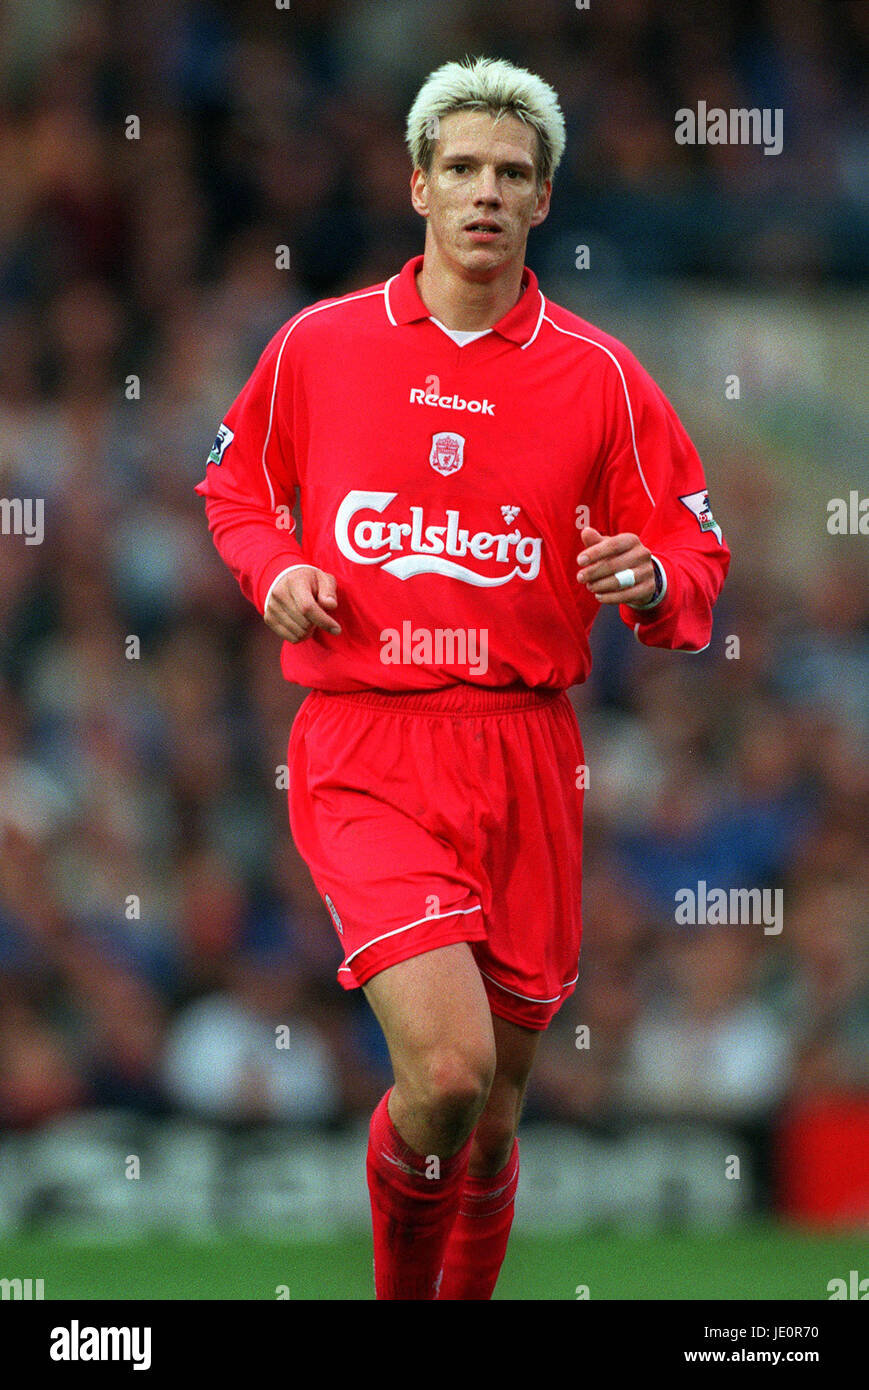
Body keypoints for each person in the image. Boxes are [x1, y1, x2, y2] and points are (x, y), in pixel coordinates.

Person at [195, 56, 730, 1300]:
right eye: (462, 170)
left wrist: (647, 577)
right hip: (367, 744)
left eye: (511, 175)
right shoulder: (318, 346)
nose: (484, 194)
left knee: (489, 1117)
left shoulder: (597, 375)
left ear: (542, 201)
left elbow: (692, 540)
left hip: (525, 749)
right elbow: (233, 488)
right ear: (417, 186)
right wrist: (270, 566)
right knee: (443, 1077)